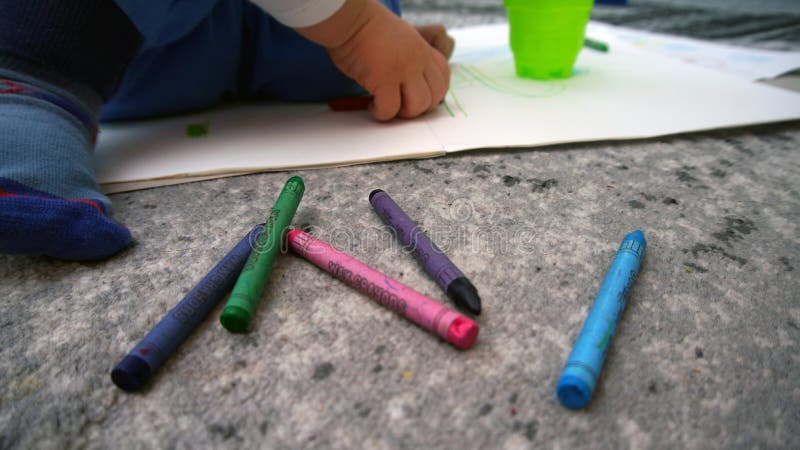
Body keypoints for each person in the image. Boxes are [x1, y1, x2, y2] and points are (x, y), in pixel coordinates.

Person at [0, 0, 455, 261]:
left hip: (188, 49)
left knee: (344, 50)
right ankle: (28, 77)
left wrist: (390, 37)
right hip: (101, 31)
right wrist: (359, 25)